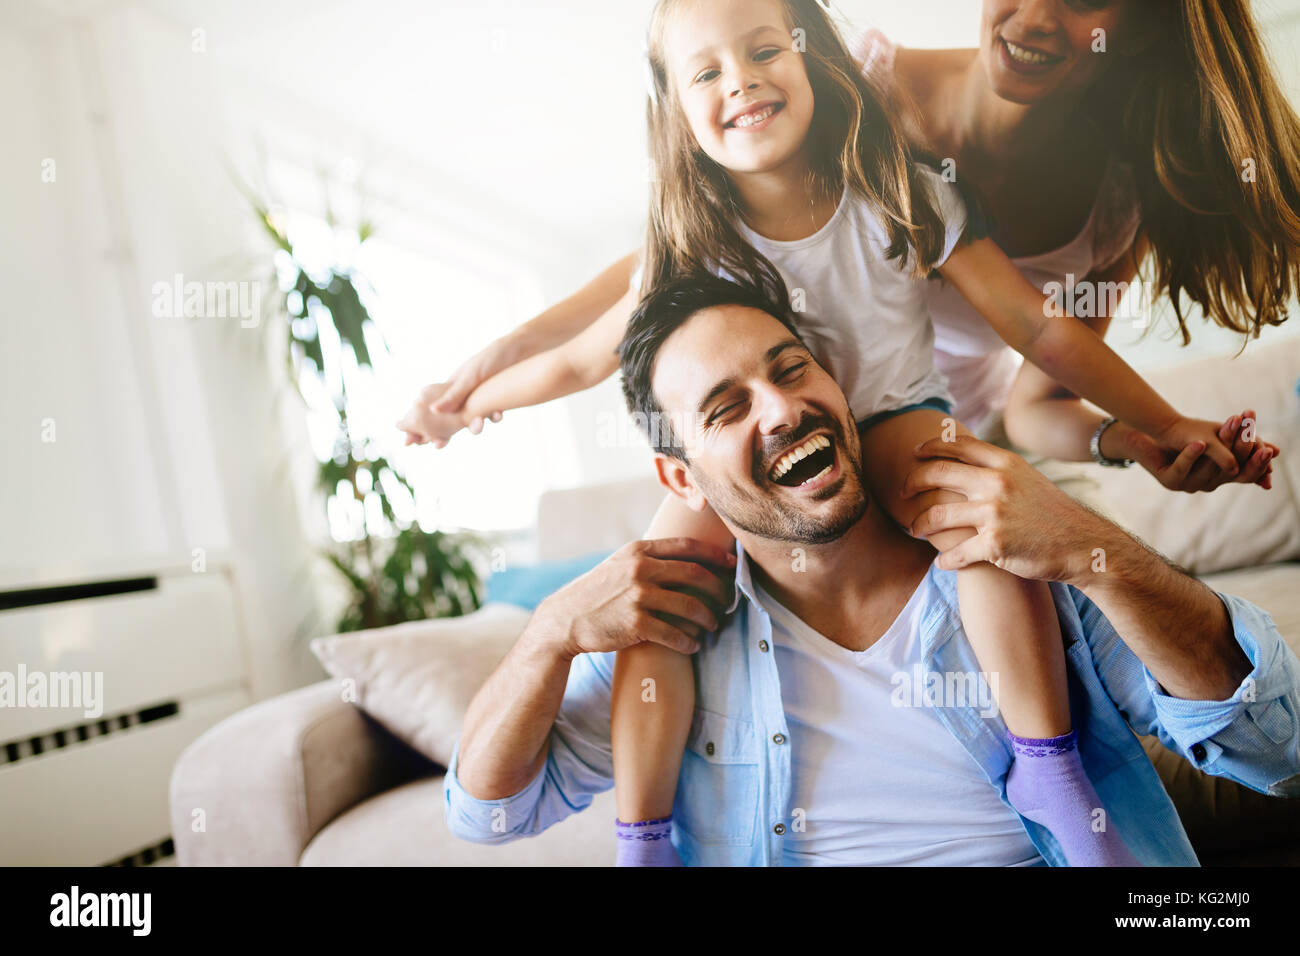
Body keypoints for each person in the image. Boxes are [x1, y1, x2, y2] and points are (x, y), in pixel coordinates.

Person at [403, 0, 1276, 867]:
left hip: (899, 418)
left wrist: (1160, 424)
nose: (740, 80)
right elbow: (576, 363)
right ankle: (645, 839)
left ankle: (1047, 770)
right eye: (705, 72)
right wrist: (474, 401)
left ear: (813, 55)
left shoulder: (897, 188)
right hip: (777, 471)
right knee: (655, 602)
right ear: (674, 107)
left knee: (978, 528)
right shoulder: (694, 239)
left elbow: (1041, 331)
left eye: (761, 51)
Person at [443, 275, 1300, 866]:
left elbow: (1274, 746)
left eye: (790, 370)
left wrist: (1088, 550)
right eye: (727, 407)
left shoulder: (1015, 564)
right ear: (680, 476)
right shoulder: (673, 632)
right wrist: (547, 635)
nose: (782, 409)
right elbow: (488, 814)